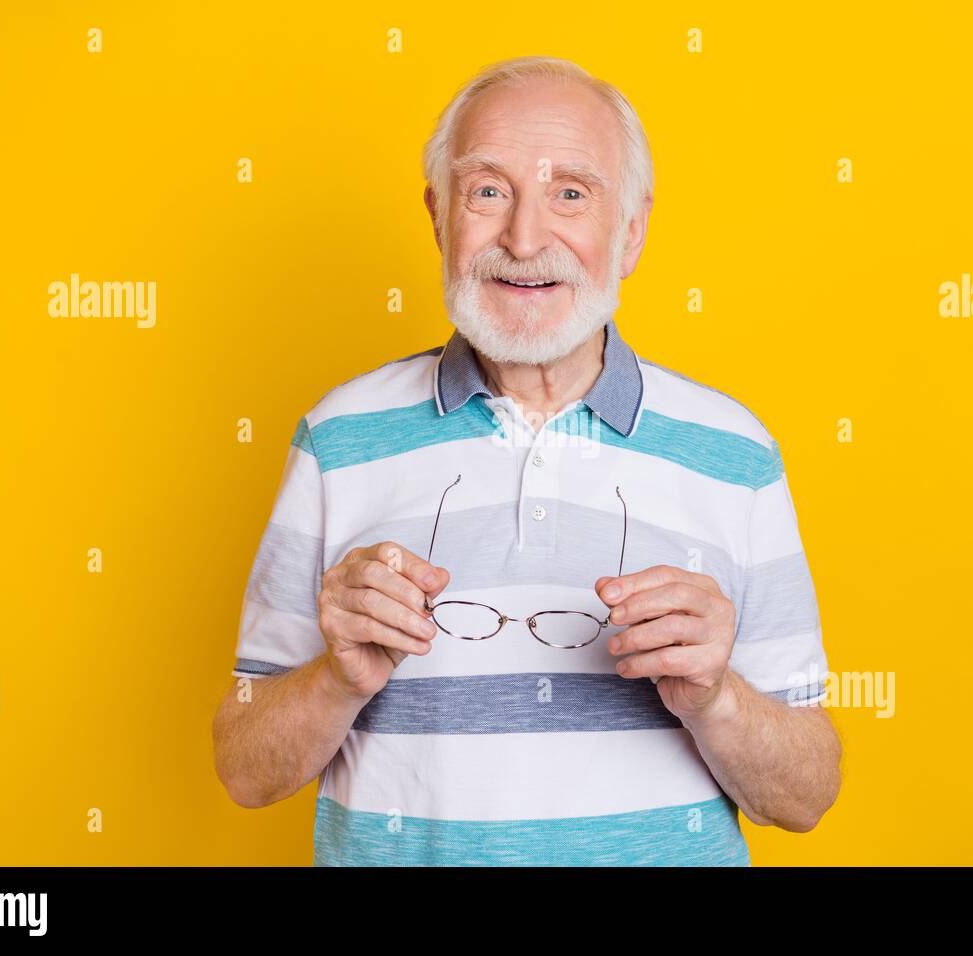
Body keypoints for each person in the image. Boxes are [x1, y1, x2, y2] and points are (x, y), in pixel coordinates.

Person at [212, 55, 841, 866]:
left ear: (633, 230)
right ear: (441, 218)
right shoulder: (337, 437)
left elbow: (806, 797)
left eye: (571, 193)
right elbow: (244, 770)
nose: (525, 237)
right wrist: (337, 677)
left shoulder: (737, 452)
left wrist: (715, 698)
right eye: (488, 191)